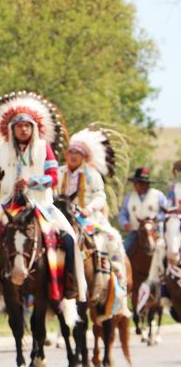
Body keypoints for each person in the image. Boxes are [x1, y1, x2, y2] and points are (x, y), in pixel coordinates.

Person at [0, 91, 86, 301]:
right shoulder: (3, 150)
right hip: (9, 202)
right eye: (19, 126)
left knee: (68, 236)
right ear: (12, 129)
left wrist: (31, 182)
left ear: (33, 128)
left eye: (27, 126)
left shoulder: (44, 148)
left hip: (40, 203)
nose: (23, 130)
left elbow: (52, 177)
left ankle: (71, 281)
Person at [56, 127, 128, 313]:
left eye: (77, 153)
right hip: (60, 216)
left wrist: (89, 209)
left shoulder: (91, 174)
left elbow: (100, 196)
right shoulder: (58, 172)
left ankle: (118, 287)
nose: (73, 156)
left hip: (87, 217)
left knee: (113, 239)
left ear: (84, 156)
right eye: (70, 152)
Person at [119, 167, 170, 253]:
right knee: (123, 251)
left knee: (167, 250)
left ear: (145, 184)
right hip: (136, 232)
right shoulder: (129, 197)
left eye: (138, 183)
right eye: (134, 182)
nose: (135, 185)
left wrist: (156, 219)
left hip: (155, 231)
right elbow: (123, 214)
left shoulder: (158, 195)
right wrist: (125, 223)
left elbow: (166, 212)